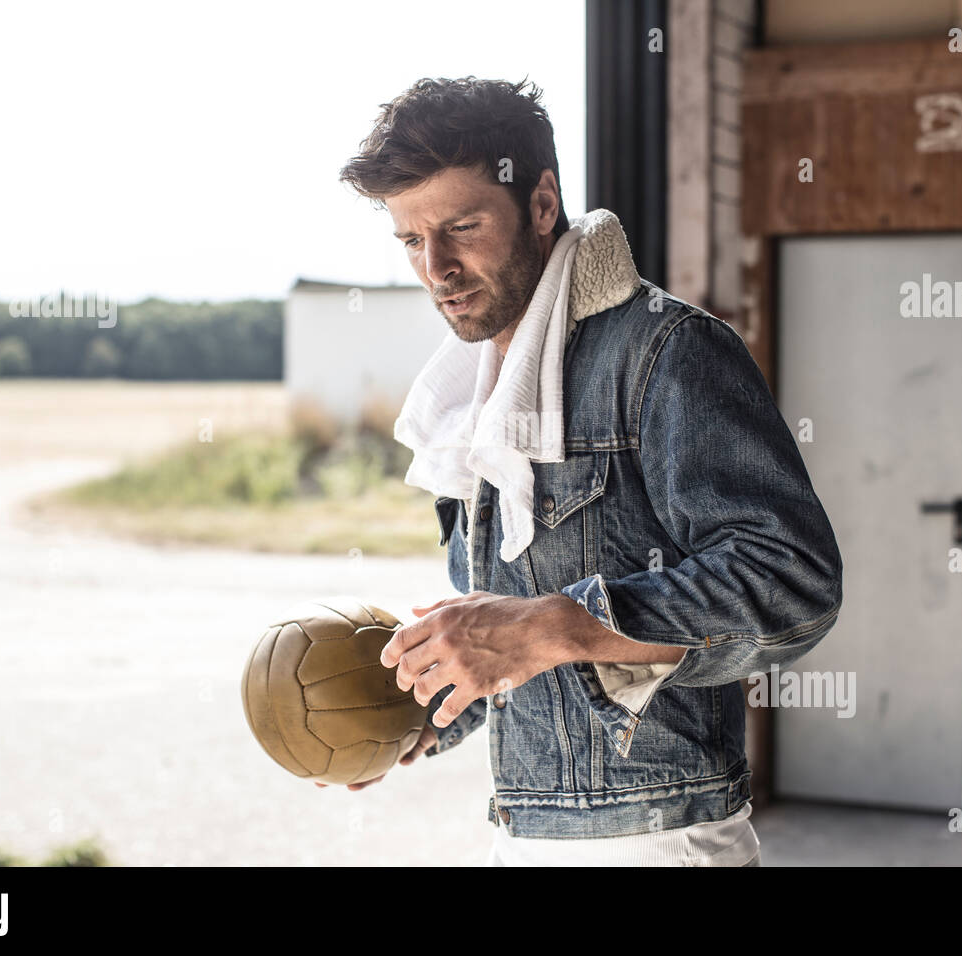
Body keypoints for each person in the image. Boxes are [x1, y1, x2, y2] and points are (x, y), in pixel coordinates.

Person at [327, 76, 843, 867]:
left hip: (662, 841)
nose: (437, 268)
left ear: (540, 204)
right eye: (410, 240)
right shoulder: (476, 395)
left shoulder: (666, 352)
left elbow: (792, 583)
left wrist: (552, 627)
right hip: (525, 833)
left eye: (462, 226)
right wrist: (422, 710)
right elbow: (514, 639)